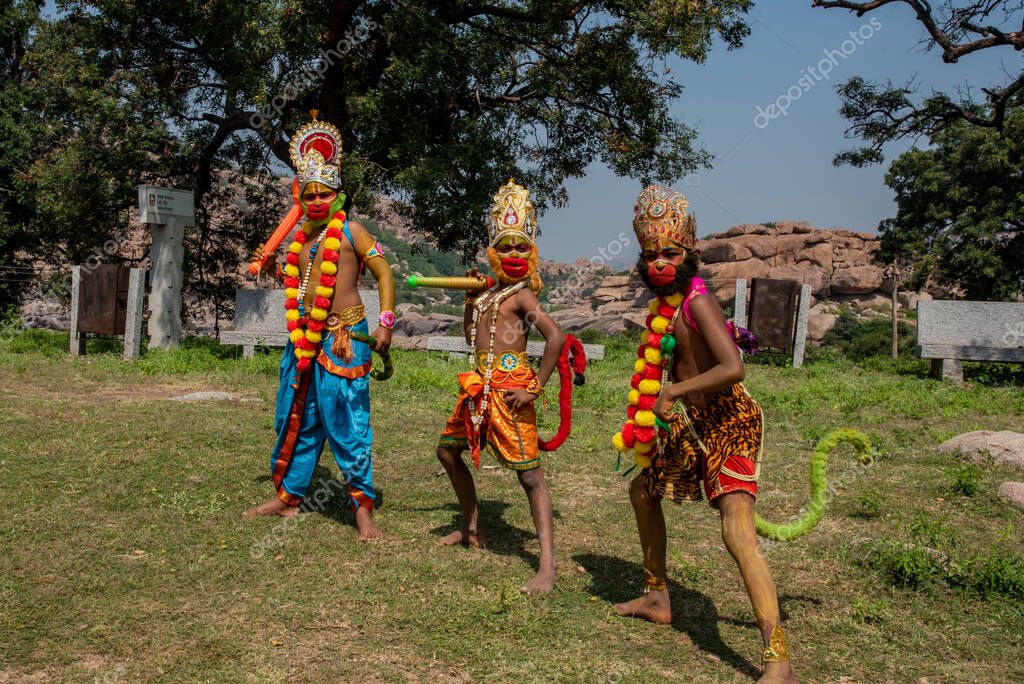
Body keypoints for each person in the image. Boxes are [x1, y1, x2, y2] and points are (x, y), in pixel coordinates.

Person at [612, 185, 797, 683]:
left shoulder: (698, 303)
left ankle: (778, 660)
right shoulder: (667, 305)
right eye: (651, 255)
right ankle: (657, 595)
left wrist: (672, 393)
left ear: (690, 254)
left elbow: (734, 368)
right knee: (641, 490)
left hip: (729, 423)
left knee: (737, 534)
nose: (659, 263)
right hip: (690, 427)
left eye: (669, 253)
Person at [244, 114, 395, 542]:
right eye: (307, 194)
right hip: (303, 338)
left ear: (337, 195)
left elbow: (385, 275)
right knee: (298, 416)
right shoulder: (300, 240)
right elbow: (303, 286)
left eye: (323, 193)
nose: (314, 200)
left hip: (345, 338)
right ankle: (289, 495)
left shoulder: (352, 232)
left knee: (348, 421)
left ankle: (363, 509)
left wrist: (385, 322)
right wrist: (274, 269)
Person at [435, 180, 566, 595]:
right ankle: (472, 526)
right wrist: (469, 302)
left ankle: (547, 565)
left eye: (521, 248)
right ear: (493, 253)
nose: (513, 254)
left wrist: (536, 388)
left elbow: (556, 338)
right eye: (505, 247)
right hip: (478, 391)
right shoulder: (491, 294)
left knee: (530, 479)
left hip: (510, 393)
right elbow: (470, 338)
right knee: (446, 450)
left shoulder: (524, 296)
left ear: (532, 254)